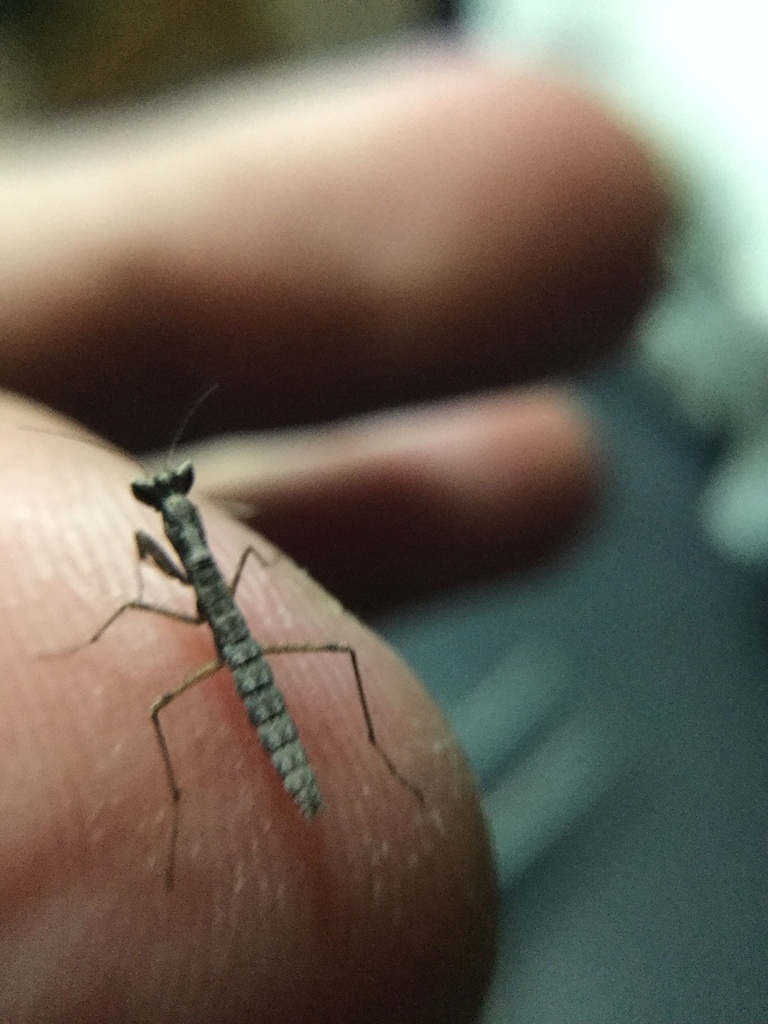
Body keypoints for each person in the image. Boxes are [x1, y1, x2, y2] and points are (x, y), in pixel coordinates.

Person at [0, 46, 666, 1022]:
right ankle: (359, 777)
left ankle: (344, 781)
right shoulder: (207, 544)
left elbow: (186, 578)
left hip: (246, 671)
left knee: (159, 707)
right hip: (250, 657)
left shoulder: (182, 548)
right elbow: (233, 554)